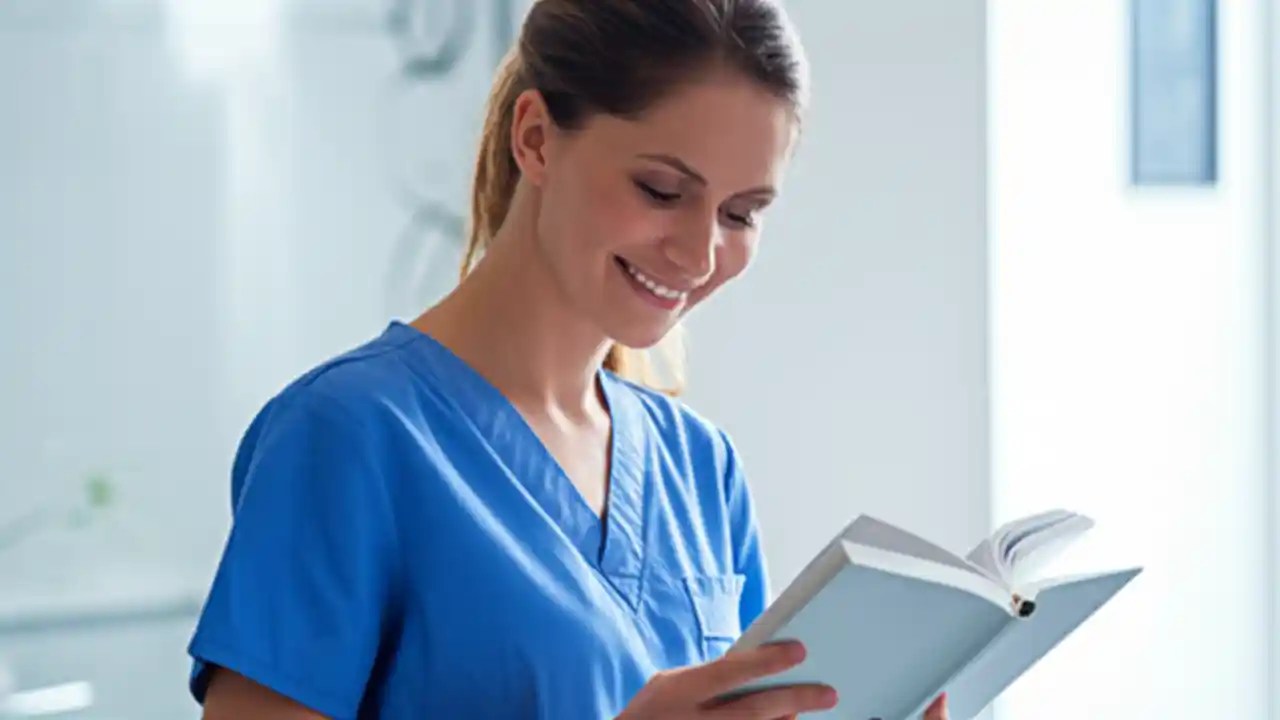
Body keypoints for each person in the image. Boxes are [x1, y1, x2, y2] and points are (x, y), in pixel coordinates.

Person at [187, 1, 950, 718]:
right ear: (537, 139)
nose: (699, 252)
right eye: (661, 189)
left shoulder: (701, 470)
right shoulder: (347, 438)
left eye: (741, 213)